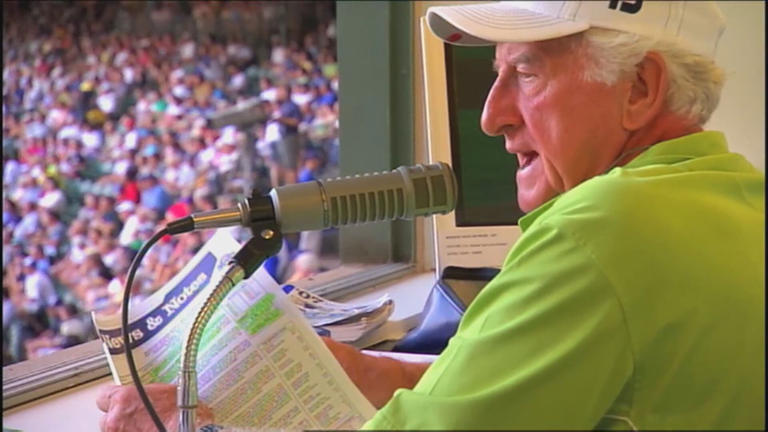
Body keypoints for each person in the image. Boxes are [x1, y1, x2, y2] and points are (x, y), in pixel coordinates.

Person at [96, 2, 764, 431]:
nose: (492, 114)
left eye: (527, 73)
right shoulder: (736, 199)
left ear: (641, 89)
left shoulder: (600, 229)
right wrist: (382, 373)